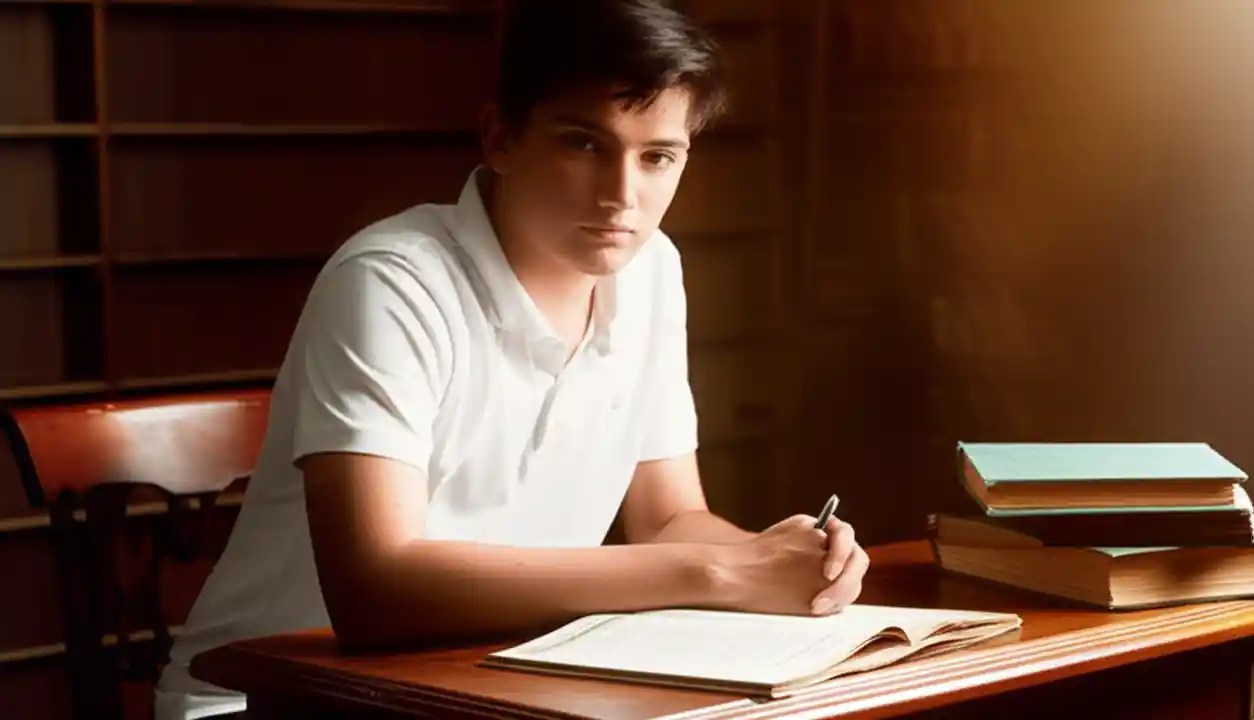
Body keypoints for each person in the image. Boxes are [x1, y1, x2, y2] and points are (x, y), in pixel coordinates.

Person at [154, 1, 870, 717]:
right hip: (266, 701)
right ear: (499, 138)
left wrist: (778, 562)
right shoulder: (392, 281)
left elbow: (667, 519)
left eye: (657, 156)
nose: (623, 195)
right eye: (584, 144)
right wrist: (714, 571)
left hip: (488, 683)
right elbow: (375, 588)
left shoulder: (651, 272)